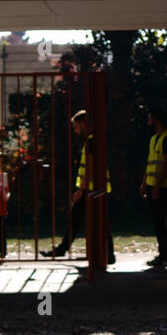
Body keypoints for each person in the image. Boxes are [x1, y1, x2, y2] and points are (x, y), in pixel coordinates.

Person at [42, 110, 115, 264]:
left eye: (76, 126)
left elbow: (89, 166)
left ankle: (106, 254)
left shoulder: (91, 141)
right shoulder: (94, 139)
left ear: (83, 123)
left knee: (93, 221)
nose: (75, 130)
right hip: (93, 188)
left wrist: (81, 190)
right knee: (89, 220)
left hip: (91, 189)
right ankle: (107, 254)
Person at [141, 107, 167, 267]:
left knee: (161, 223)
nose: (148, 119)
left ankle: (165, 257)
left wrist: (157, 187)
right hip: (153, 186)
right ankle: (163, 255)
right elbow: (151, 163)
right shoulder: (154, 138)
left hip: (163, 187)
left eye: (150, 116)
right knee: (157, 223)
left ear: (156, 119)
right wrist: (144, 183)